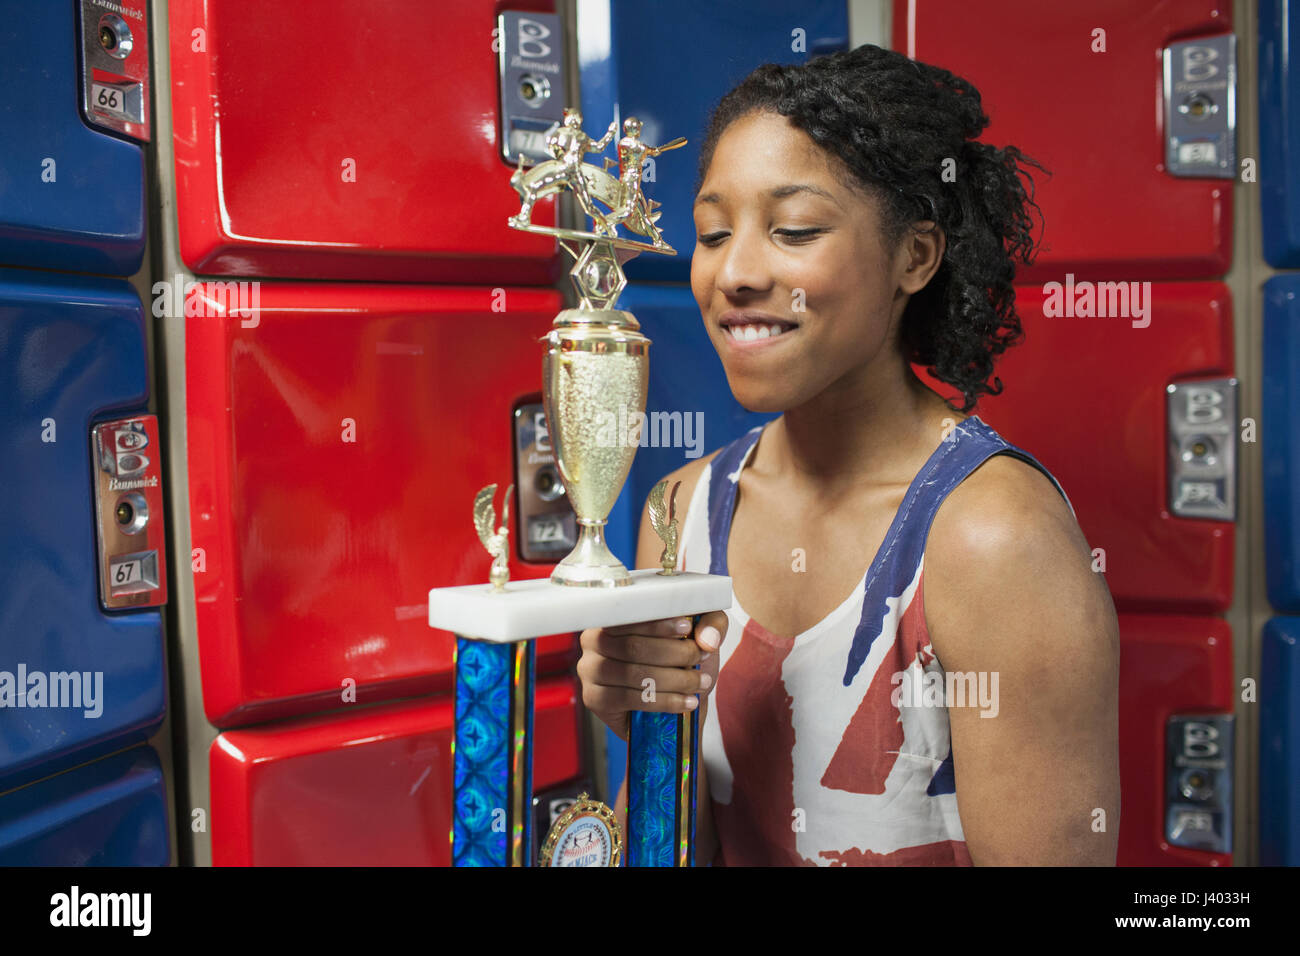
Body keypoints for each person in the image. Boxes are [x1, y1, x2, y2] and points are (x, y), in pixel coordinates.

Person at [576, 44, 1121, 866]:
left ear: (915, 257)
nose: (737, 273)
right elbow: (677, 848)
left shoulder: (992, 540)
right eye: (714, 232)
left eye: (793, 230)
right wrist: (653, 729)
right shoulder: (679, 514)